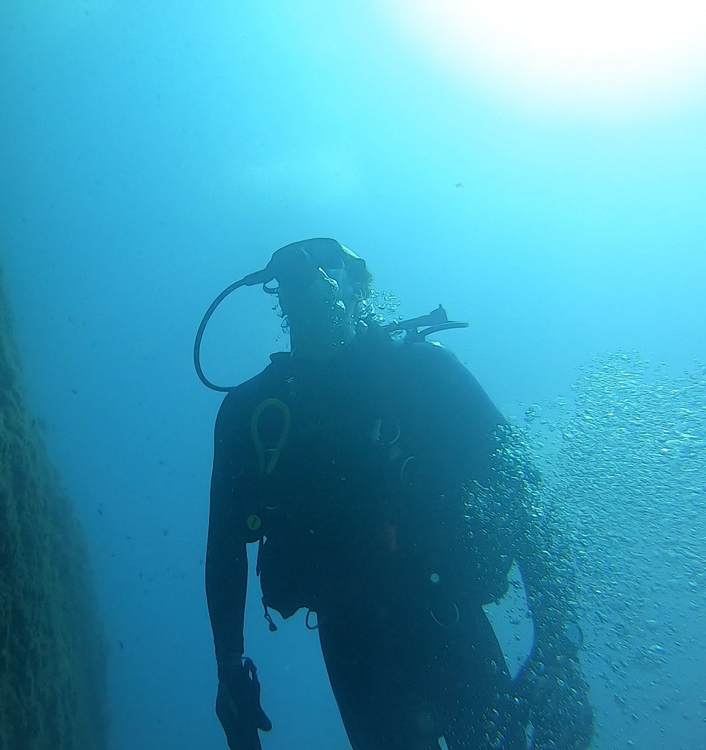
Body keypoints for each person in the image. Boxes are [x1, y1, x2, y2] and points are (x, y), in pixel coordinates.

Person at [197, 238, 593, 750]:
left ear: (358, 291)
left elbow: (521, 492)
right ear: (283, 301)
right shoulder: (256, 415)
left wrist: (559, 649)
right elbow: (224, 547)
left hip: (446, 618)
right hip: (355, 645)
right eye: (300, 280)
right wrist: (229, 668)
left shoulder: (425, 373)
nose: (314, 285)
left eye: (326, 273)